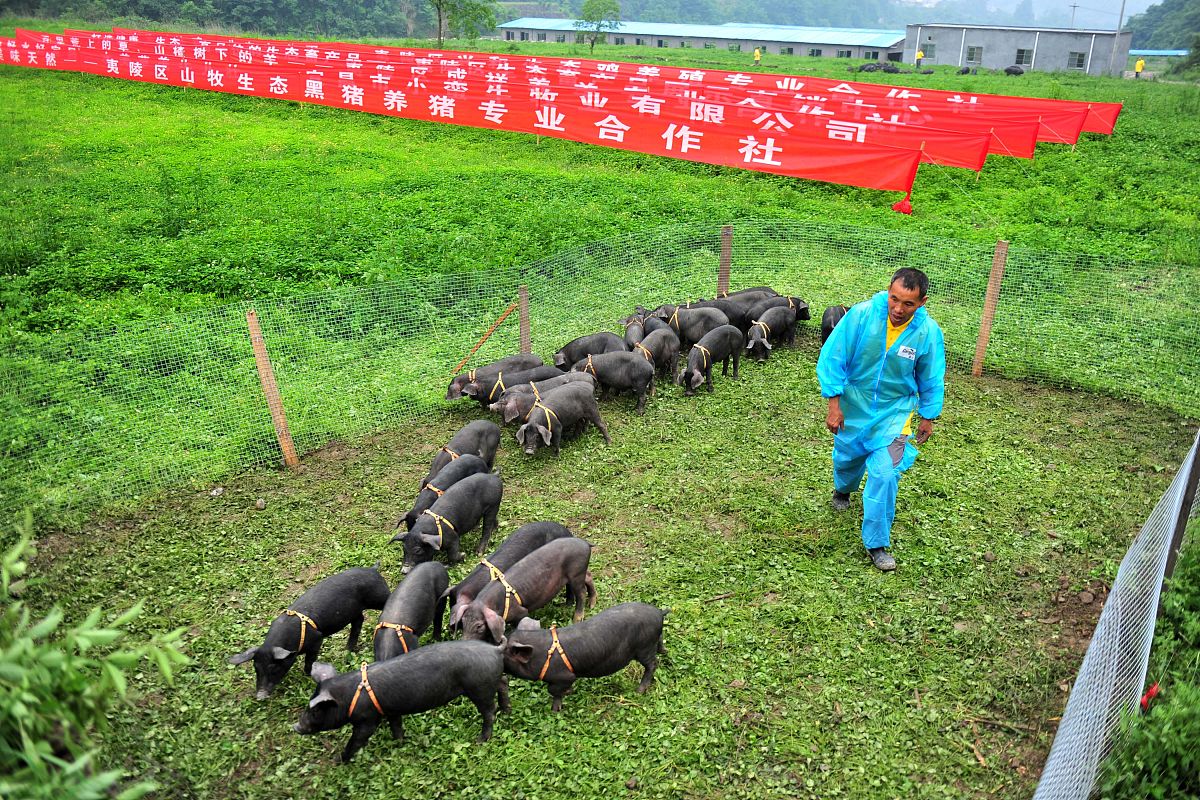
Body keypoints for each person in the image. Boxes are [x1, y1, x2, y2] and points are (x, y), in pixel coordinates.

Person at [815, 268, 946, 571]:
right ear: (887, 292)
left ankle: (876, 543)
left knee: (885, 473)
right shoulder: (861, 316)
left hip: (894, 412)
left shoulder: (927, 333)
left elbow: (931, 376)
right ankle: (843, 488)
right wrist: (834, 405)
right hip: (854, 403)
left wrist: (928, 415)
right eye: (894, 299)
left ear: (922, 302)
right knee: (848, 455)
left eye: (908, 304)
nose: (898, 309)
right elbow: (833, 357)